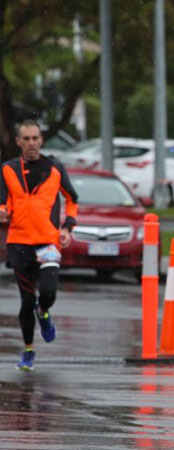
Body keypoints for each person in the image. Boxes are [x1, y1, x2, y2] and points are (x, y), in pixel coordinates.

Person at [1, 120, 78, 371]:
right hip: (19, 242)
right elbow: (3, 202)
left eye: (35, 138)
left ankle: (44, 312)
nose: (31, 143)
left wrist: (67, 227)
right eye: (26, 139)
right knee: (25, 300)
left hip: (47, 241)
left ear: (41, 140)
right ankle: (28, 350)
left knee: (48, 292)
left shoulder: (54, 167)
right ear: (18, 142)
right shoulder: (8, 170)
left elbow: (72, 199)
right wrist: (2, 211)